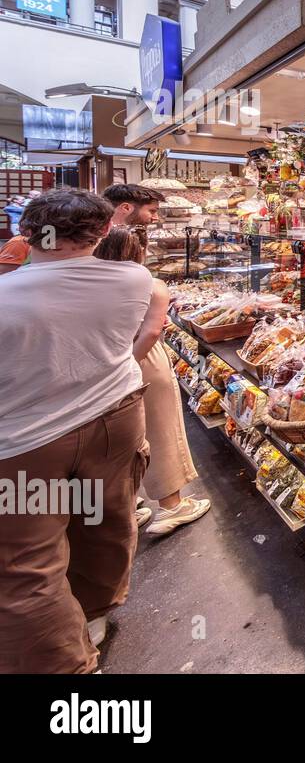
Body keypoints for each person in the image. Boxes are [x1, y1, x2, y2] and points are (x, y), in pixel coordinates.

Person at [0, 189, 153, 673]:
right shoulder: (133, 278)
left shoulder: (6, 294)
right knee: (106, 522)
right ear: (105, 231)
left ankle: (62, 664)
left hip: (25, 440)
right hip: (116, 417)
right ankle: (94, 614)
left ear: (26, 235)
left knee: (27, 564)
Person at [94, 228, 210, 536]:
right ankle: (172, 506)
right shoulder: (151, 284)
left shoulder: (91, 285)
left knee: (119, 439)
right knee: (161, 431)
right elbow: (151, 332)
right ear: (139, 252)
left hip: (105, 362)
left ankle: (126, 507)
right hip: (141, 360)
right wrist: (129, 366)